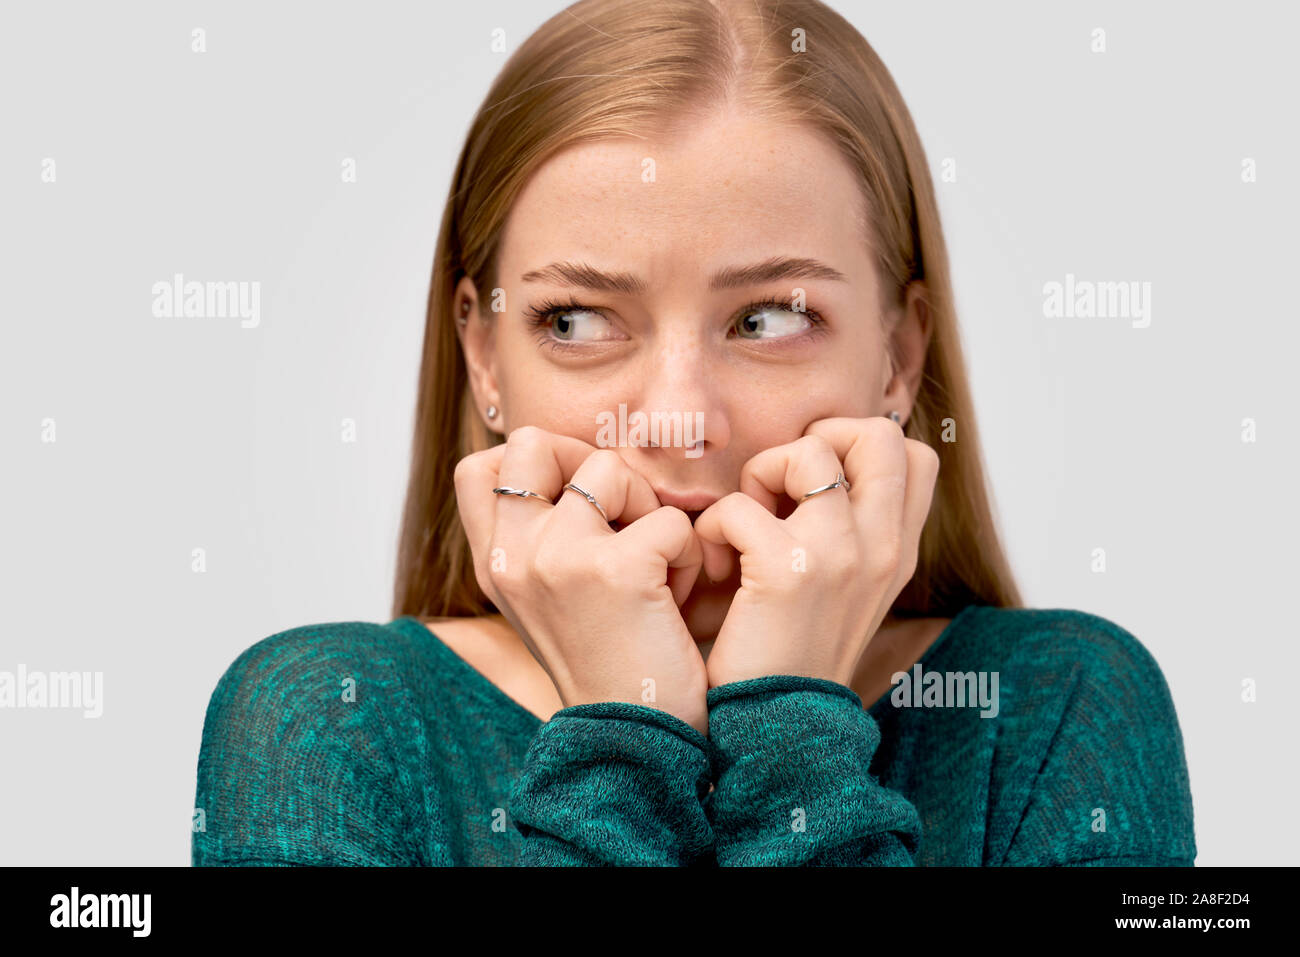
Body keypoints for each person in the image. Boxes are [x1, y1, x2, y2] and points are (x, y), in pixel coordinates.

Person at [192, 0, 1196, 866]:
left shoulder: (1060, 702)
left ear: (898, 358)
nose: (673, 419)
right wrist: (621, 739)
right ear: (486, 357)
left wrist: (789, 726)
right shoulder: (325, 717)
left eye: (766, 319)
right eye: (577, 321)